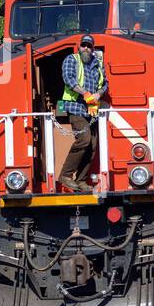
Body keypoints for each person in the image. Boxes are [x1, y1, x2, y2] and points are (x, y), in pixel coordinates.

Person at [57, 34, 106, 193]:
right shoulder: (72, 59)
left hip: (91, 110)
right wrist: (84, 93)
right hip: (76, 107)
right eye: (83, 45)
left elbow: (105, 83)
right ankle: (65, 175)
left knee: (92, 146)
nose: (86, 48)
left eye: (89, 46)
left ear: (93, 49)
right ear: (79, 47)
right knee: (84, 139)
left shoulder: (98, 64)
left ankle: (81, 180)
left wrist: (98, 94)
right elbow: (69, 79)